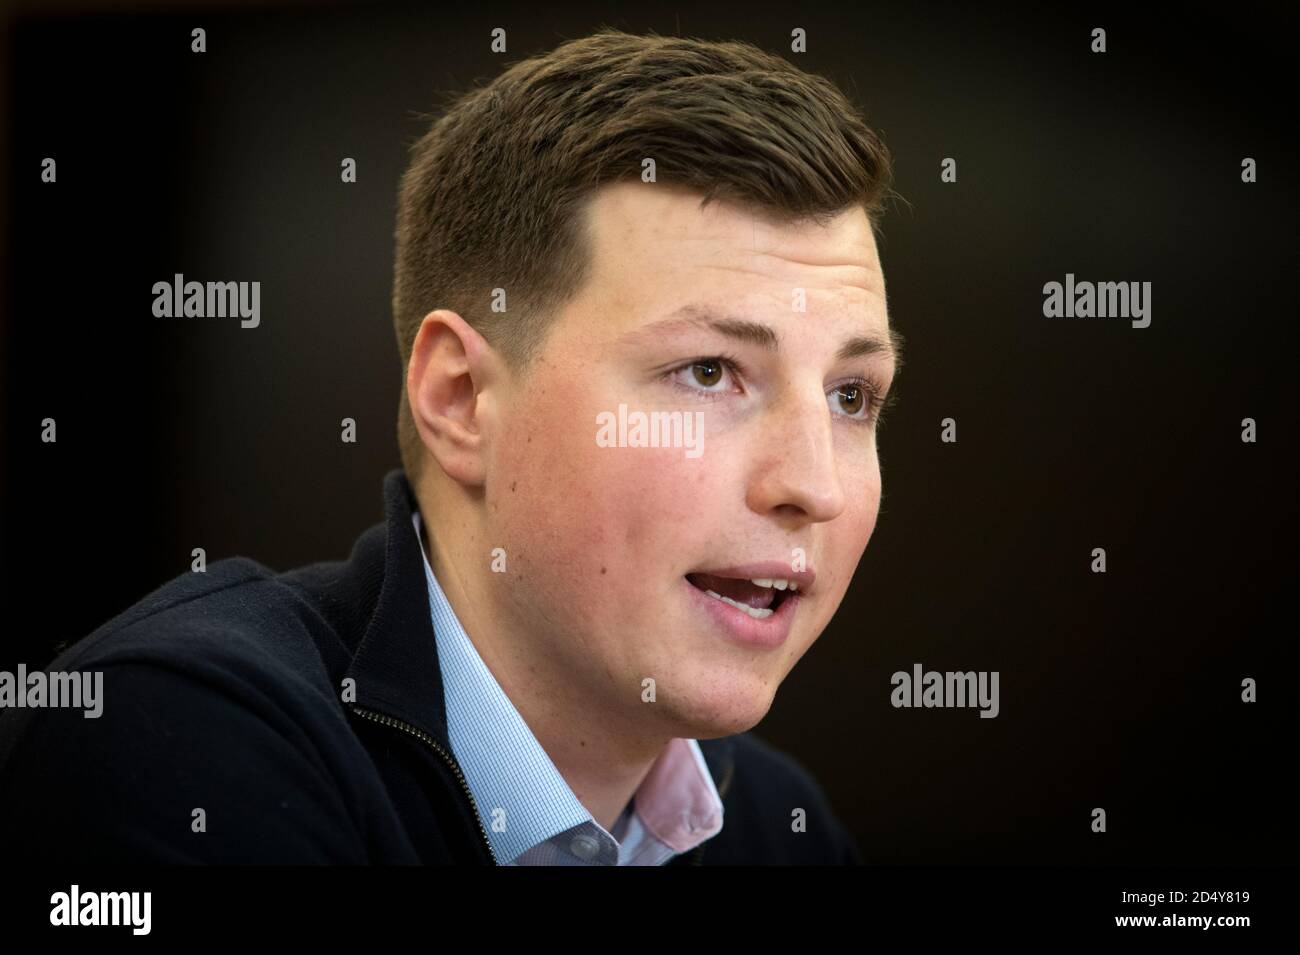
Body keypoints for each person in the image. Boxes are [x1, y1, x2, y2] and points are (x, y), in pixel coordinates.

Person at [0, 28, 902, 865]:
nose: (813, 484)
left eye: (851, 396)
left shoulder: (782, 828)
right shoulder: (175, 742)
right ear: (462, 398)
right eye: (709, 372)